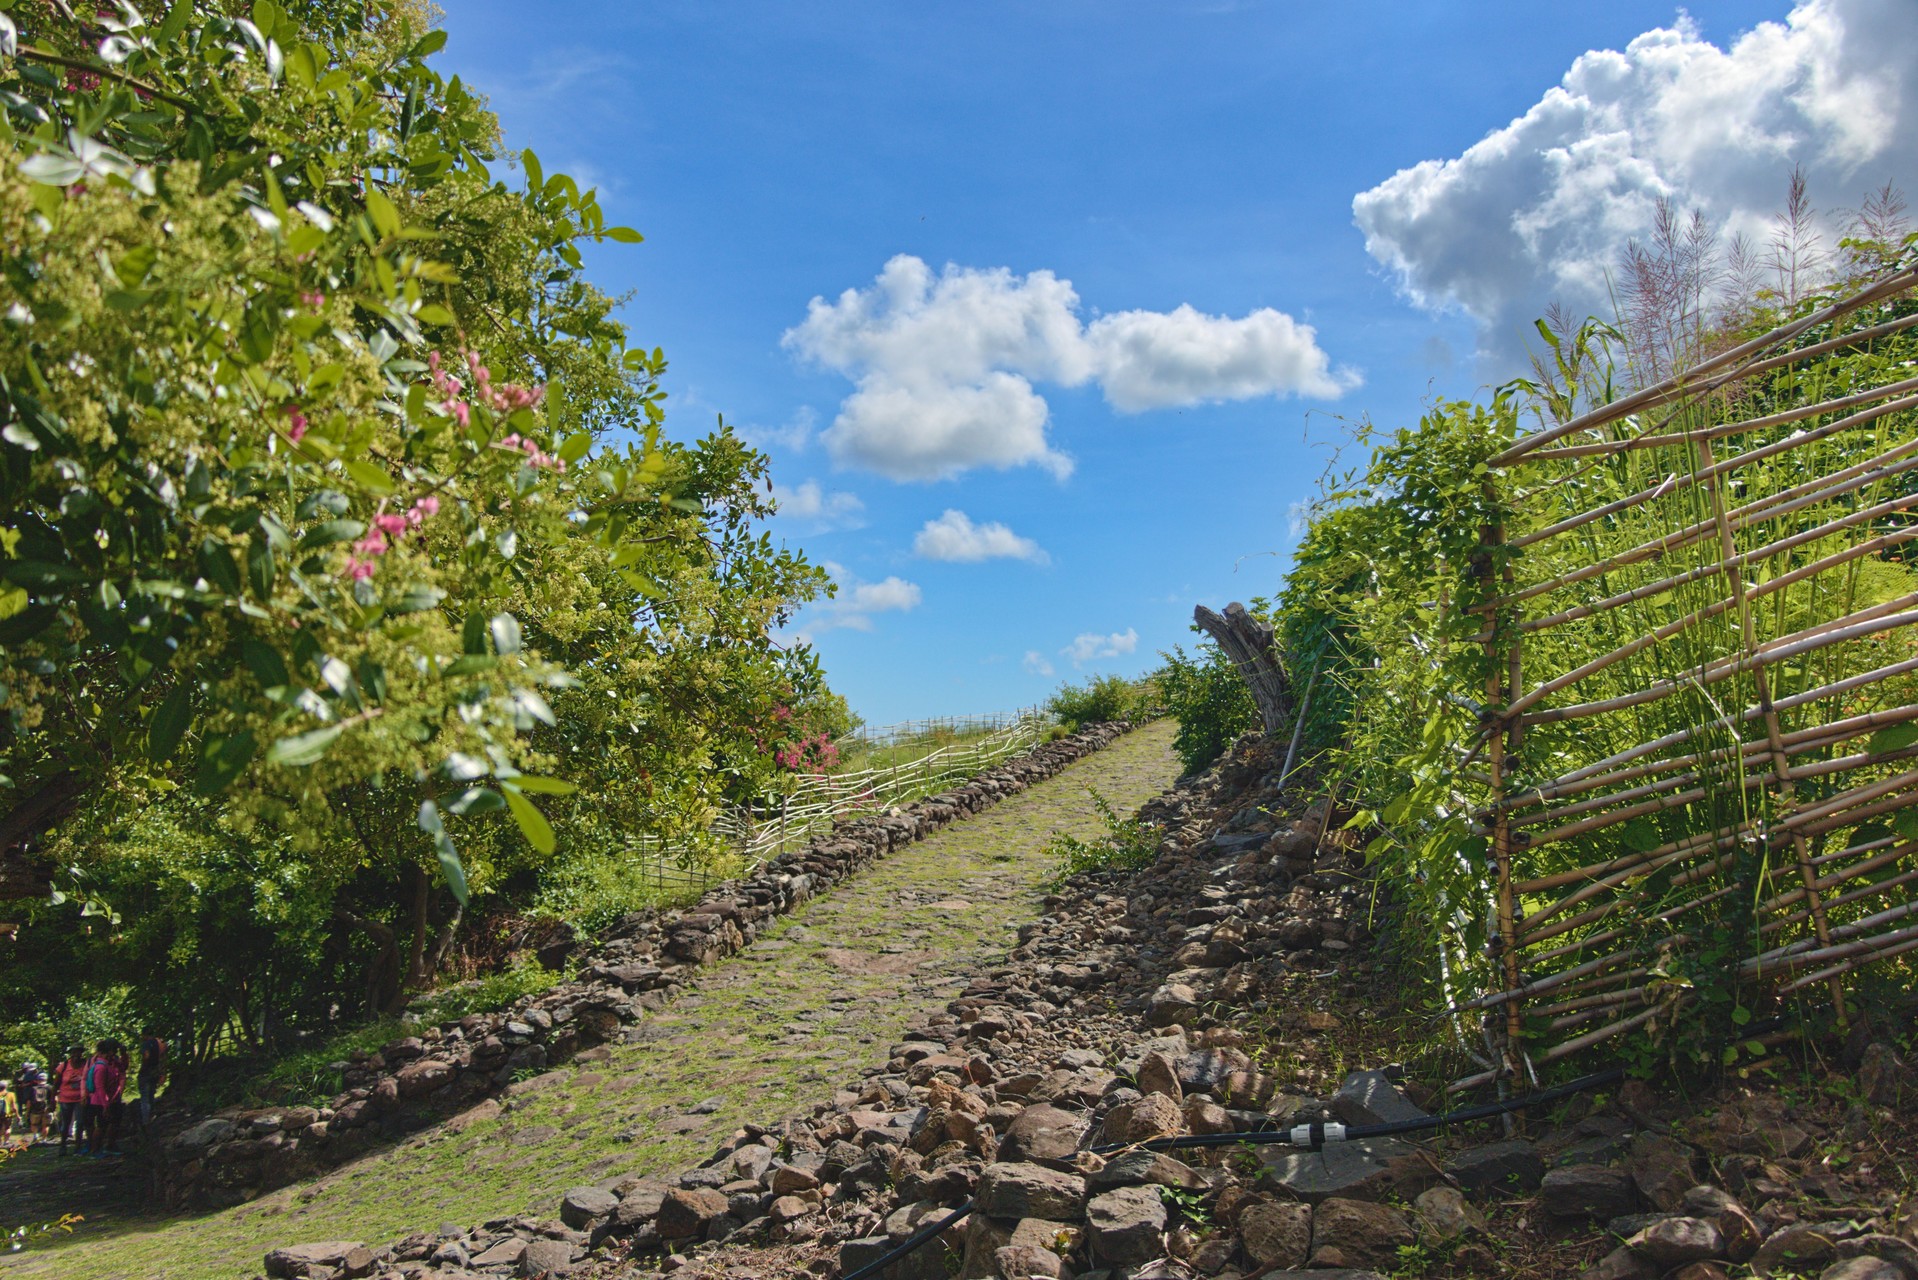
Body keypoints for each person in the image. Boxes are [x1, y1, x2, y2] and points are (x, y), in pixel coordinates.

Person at [80, 1040, 122, 1157]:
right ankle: (95, 1150)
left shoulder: (105, 1064)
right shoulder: (101, 1067)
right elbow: (100, 1087)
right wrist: (105, 1105)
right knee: (101, 1126)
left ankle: (98, 1149)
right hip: (99, 1101)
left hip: (103, 1100)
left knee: (103, 1125)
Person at [51, 1046, 86, 1156]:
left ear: (81, 1053)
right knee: (66, 1123)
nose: (76, 1054)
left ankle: (78, 1146)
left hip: (81, 1098)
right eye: (73, 1052)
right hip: (65, 1098)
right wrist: (52, 1100)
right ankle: (63, 1146)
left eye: (78, 1052)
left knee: (80, 1122)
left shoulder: (85, 1065)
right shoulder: (64, 1066)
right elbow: (56, 1083)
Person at [136, 1028, 167, 1128]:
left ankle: (145, 1121)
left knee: (144, 1098)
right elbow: (163, 1059)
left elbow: (146, 1055)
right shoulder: (160, 1043)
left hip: (146, 1073)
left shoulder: (145, 1044)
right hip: (155, 1072)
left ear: (144, 1035)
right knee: (151, 1095)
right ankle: (152, 1116)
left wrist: (145, 1065)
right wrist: (163, 1073)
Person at [15, 1060, 47, 1142]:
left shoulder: (40, 1074)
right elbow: (22, 1084)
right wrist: (29, 1084)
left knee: (42, 1113)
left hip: (41, 1094)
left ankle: (41, 1132)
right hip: (30, 1094)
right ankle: (31, 1125)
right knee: (31, 1111)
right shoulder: (26, 1075)